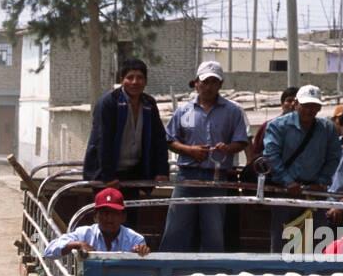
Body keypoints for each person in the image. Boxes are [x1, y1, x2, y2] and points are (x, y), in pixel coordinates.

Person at [158, 61, 248, 253]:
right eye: (205, 82)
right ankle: (168, 271)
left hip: (216, 178)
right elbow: (168, 139)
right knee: (175, 229)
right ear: (196, 83)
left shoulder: (233, 111)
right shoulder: (183, 110)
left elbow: (241, 141)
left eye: (214, 82)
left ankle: (212, 273)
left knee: (214, 231)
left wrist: (227, 148)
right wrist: (189, 150)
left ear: (220, 85)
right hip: (186, 177)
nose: (209, 87)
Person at [262, 84, 341, 253]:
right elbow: (271, 156)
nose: (309, 110)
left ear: (319, 107)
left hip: (314, 193)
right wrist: (288, 182)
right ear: (296, 104)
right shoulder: (277, 126)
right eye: (305, 105)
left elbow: (334, 157)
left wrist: (321, 182)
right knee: (281, 243)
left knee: (317, 241)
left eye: (313, 106)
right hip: (284, 192)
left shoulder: (327, 129)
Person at [82, 59, 170, 191]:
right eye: (130, 78)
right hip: (109, 176)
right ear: (122, 80)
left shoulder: (149, 104)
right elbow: (102, 141)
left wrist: (162, 170)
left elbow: (159, 139)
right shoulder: (109, 102)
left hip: (134, 174)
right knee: (108, 212)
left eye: (140, 78)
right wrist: (108, 176)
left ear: (145, 81)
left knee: (131, 211)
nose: (135, 82)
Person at [43, 188, 150, 257]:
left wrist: (142, 253)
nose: (109, 218)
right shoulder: (84, 234)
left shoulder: (135, 239)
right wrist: (78, 244)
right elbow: (49, 251)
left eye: (114, 213)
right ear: (95, 217)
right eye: (104, 213)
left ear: (123, 217)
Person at [245, 86, 297, 166]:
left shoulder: (310, 126)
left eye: (296, 101)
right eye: (289, 101)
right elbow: (256, 152)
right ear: (282, 104)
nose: (292, 104)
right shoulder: (269, 126)